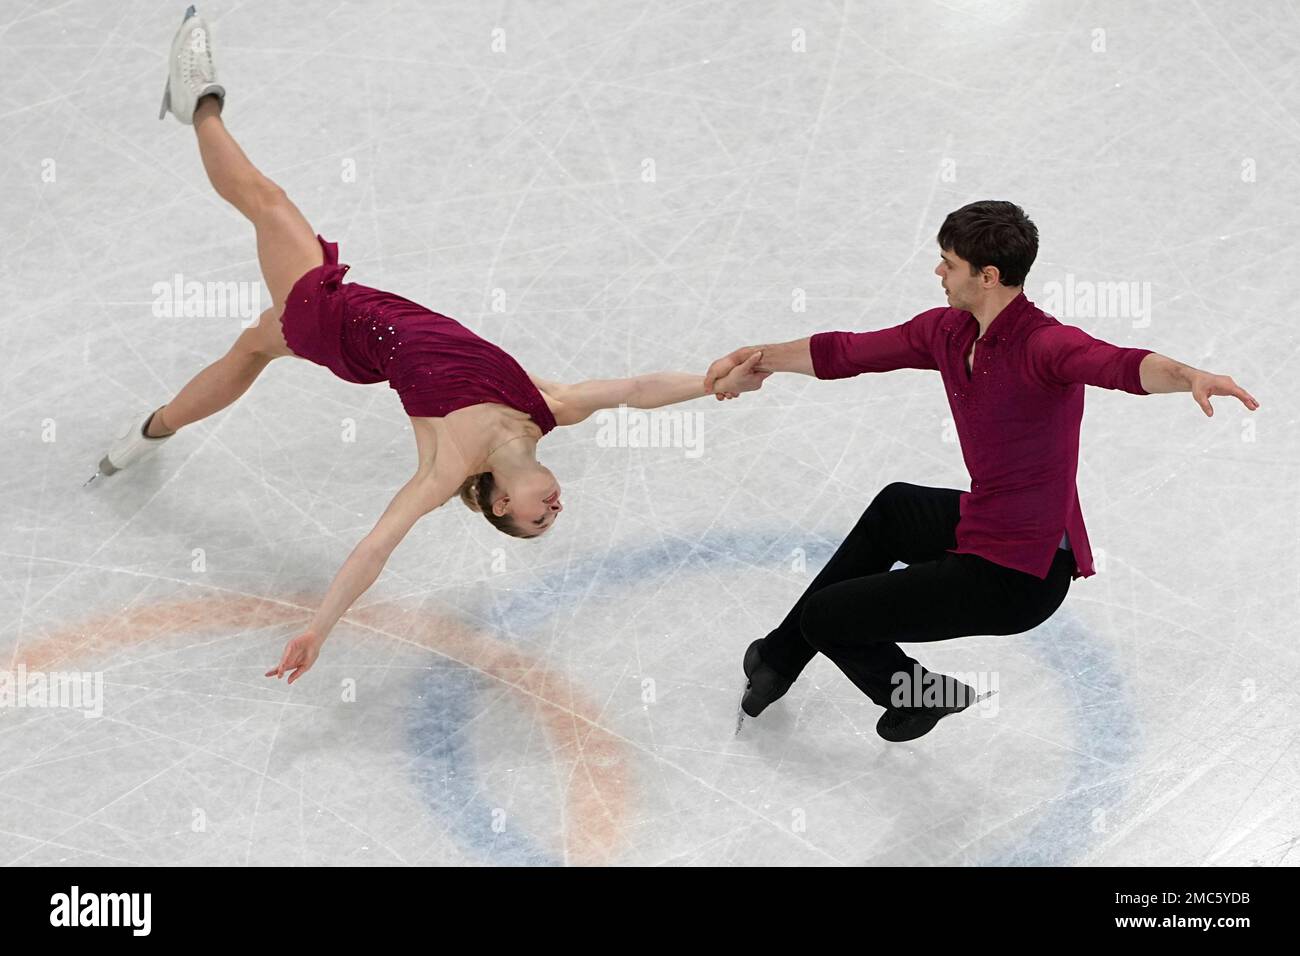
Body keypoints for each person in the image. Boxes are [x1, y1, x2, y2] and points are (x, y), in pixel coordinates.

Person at [97, 7, 765, 684]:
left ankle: (199, 102)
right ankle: (147, 432)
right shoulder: (550, 409)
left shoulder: (447, 467)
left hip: (333, 320)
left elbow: (376, 549)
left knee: (267, 203)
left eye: (536, 523)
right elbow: (633, 392)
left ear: (502, 505)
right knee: (249, 348)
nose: (552, 513)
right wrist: (713, 384)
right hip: (357, 319)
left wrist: (318, 629)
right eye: (553, 517)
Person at [705, 199, 1260, 743]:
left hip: (1020, 574)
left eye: (949, 262)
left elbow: (1120, 364)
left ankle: (919, 695)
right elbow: (848, 352)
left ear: (988, 275)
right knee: (897, 508)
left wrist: (1190, 376)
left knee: (828, 618)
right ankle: (778, 660)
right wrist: (756, 357)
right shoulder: (948, 331)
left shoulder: (1046, 345)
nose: (938, 271)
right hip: (987, 520)